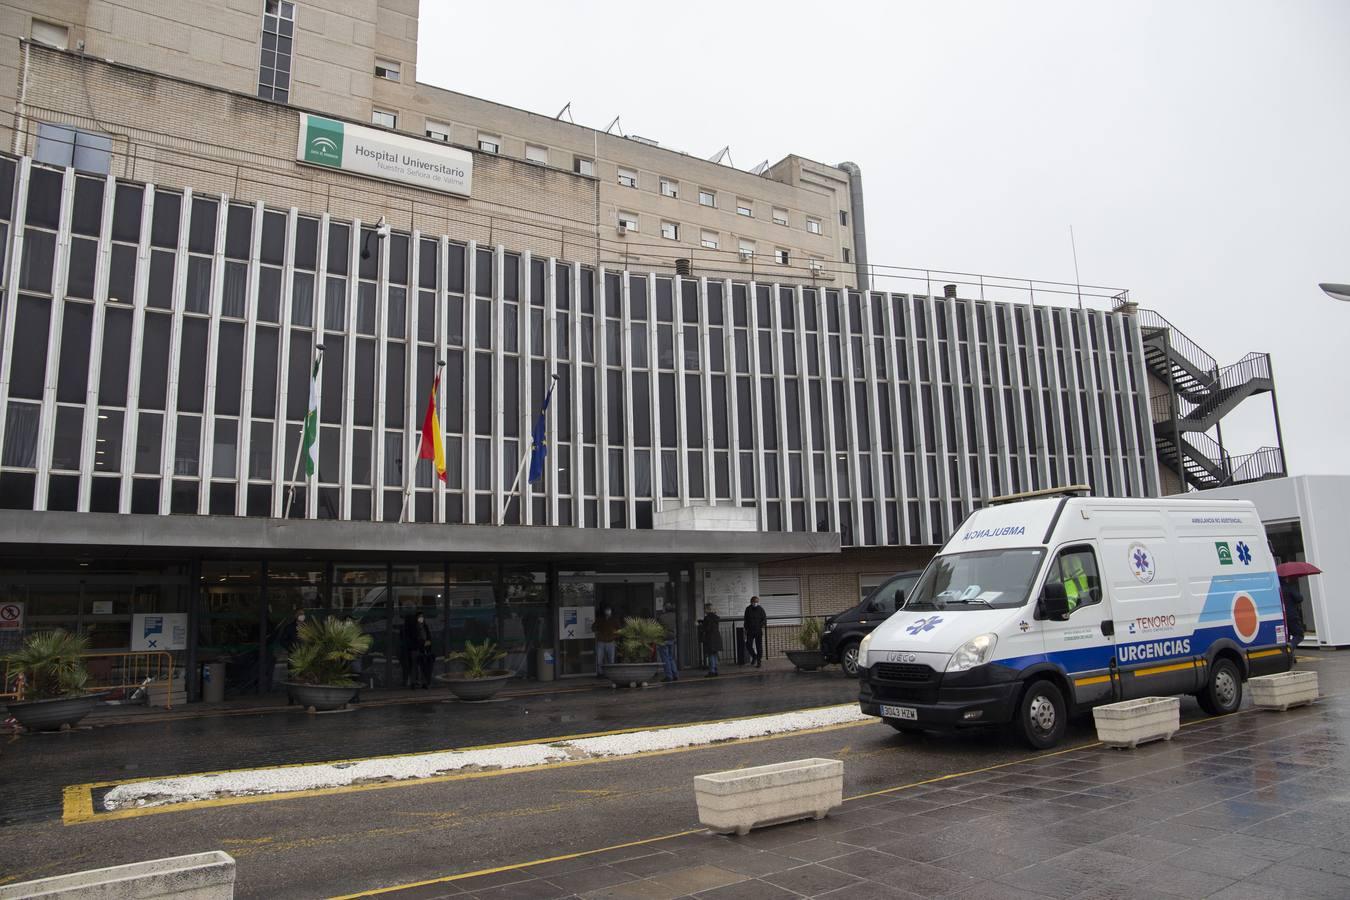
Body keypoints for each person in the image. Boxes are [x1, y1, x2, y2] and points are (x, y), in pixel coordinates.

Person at [1281, 576, 1306, 660]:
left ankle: (1289, 657)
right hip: (1291, 615)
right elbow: (1299, 598)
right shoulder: (1289, 587)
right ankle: (1290, 648)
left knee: (1286, 637)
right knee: (1299, 635)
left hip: (1280, 616)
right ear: (1286, 578)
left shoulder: (1276, 588)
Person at [592, 605, 620, 676]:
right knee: (599, 659)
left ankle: (611, 673)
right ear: (604, 611)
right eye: (606, 610)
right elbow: (593, 627)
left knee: (611, 659)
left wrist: (615, 637)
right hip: (601, 642)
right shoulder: (600, 619)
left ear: (611, 611)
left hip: (611, 642)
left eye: (609, 610)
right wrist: (598, 632)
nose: (607, 612)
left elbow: (619, 630)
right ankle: (600, 673)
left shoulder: (614, 620)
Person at [743, 595, 767, 668]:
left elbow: (764, 619)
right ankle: (754, 656)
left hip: (758, 631)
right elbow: (745, 620)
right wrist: (746, 629)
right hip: (750, 631)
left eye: (756, 602)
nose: (755, 603)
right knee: (748, 645)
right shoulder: (748, 609)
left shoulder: (760, 609)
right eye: (754, 602)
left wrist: (761, 625)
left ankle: (759, 661)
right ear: (751, 602)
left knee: (759, 646)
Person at [656, 602, 679, 682]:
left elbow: (658, 628)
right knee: (671, 657)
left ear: (664, 608)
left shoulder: (661, 617)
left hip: (664, 639)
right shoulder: (675, 616)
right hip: (672, 638)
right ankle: (675, 674)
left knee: (665, 658)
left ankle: (669, 676)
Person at [699, 603, 723, 677]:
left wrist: (700, 626)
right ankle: (715, 670)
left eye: (705, 609)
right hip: (717, 638)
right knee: (714, 654)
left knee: (711, 655)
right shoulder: (716, 617)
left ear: (707, 609)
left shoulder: (707, 618)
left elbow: (707, 628)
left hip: (710, 638)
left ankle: (711, 671)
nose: (704, 610)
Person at [413, 612, 436, 688]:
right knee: (418, 666)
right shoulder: (415, 627)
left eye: (422, 617)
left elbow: (429, 637)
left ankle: (425, 682)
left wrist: (428, 642)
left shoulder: (425, 626)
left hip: (426, 650)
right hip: (418, 649)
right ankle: (417, 682)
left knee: (425, 666)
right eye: (419, 617)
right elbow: (415, 638)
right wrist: (422, 643)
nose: (421, 618)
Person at [399, 613, 420, 688]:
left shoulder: (404, 629)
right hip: (413, 649)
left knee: (406, 666)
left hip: (405, 649)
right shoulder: (415, 628)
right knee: (413, 665)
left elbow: (401, 638)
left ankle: (407, 681)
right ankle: (414, 681)